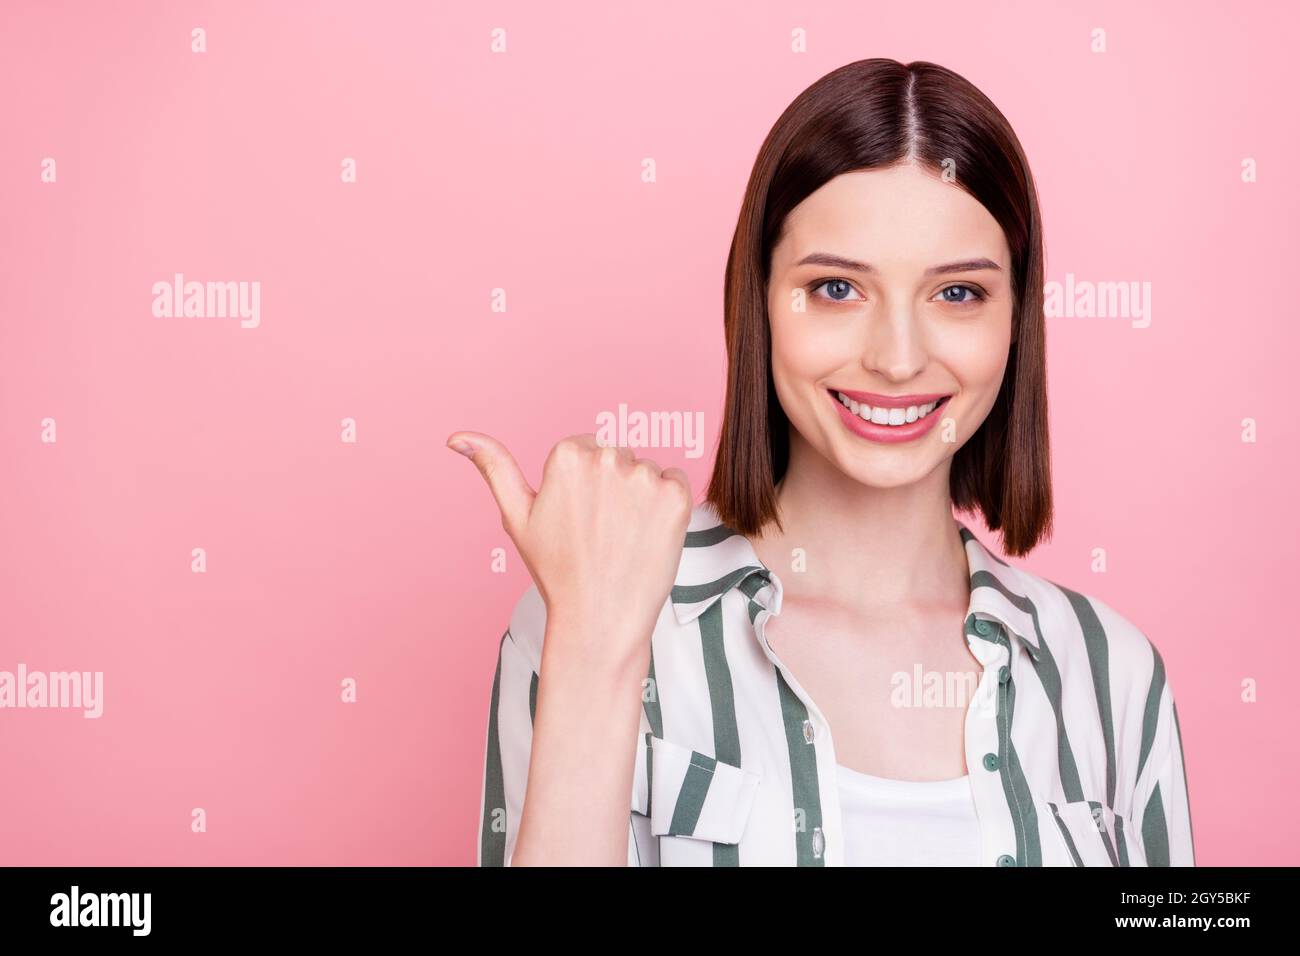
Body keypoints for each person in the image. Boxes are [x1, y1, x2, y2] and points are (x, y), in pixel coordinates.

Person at [450, 58, 1194, 867]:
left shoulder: (1112, 677)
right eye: (837, 288)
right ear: (759, 300)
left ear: (1017, 319)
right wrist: (594, 650)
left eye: (957, 294)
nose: (898, 359)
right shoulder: (593, 616)